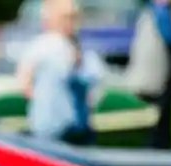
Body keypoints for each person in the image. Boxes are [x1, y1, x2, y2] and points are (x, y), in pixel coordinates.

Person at [17, 0, 105, 145]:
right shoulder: (41, 47)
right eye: (66, 17)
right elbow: (24, 82)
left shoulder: (83, 49)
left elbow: (95, 83)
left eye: (74, 17)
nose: (71, 23)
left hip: (80, 130)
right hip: (50, 130)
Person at [123, 0, 171, 149]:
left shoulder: (150, 13)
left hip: (152, 78)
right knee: (156, 125)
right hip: (156, 81)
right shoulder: (159, 13)